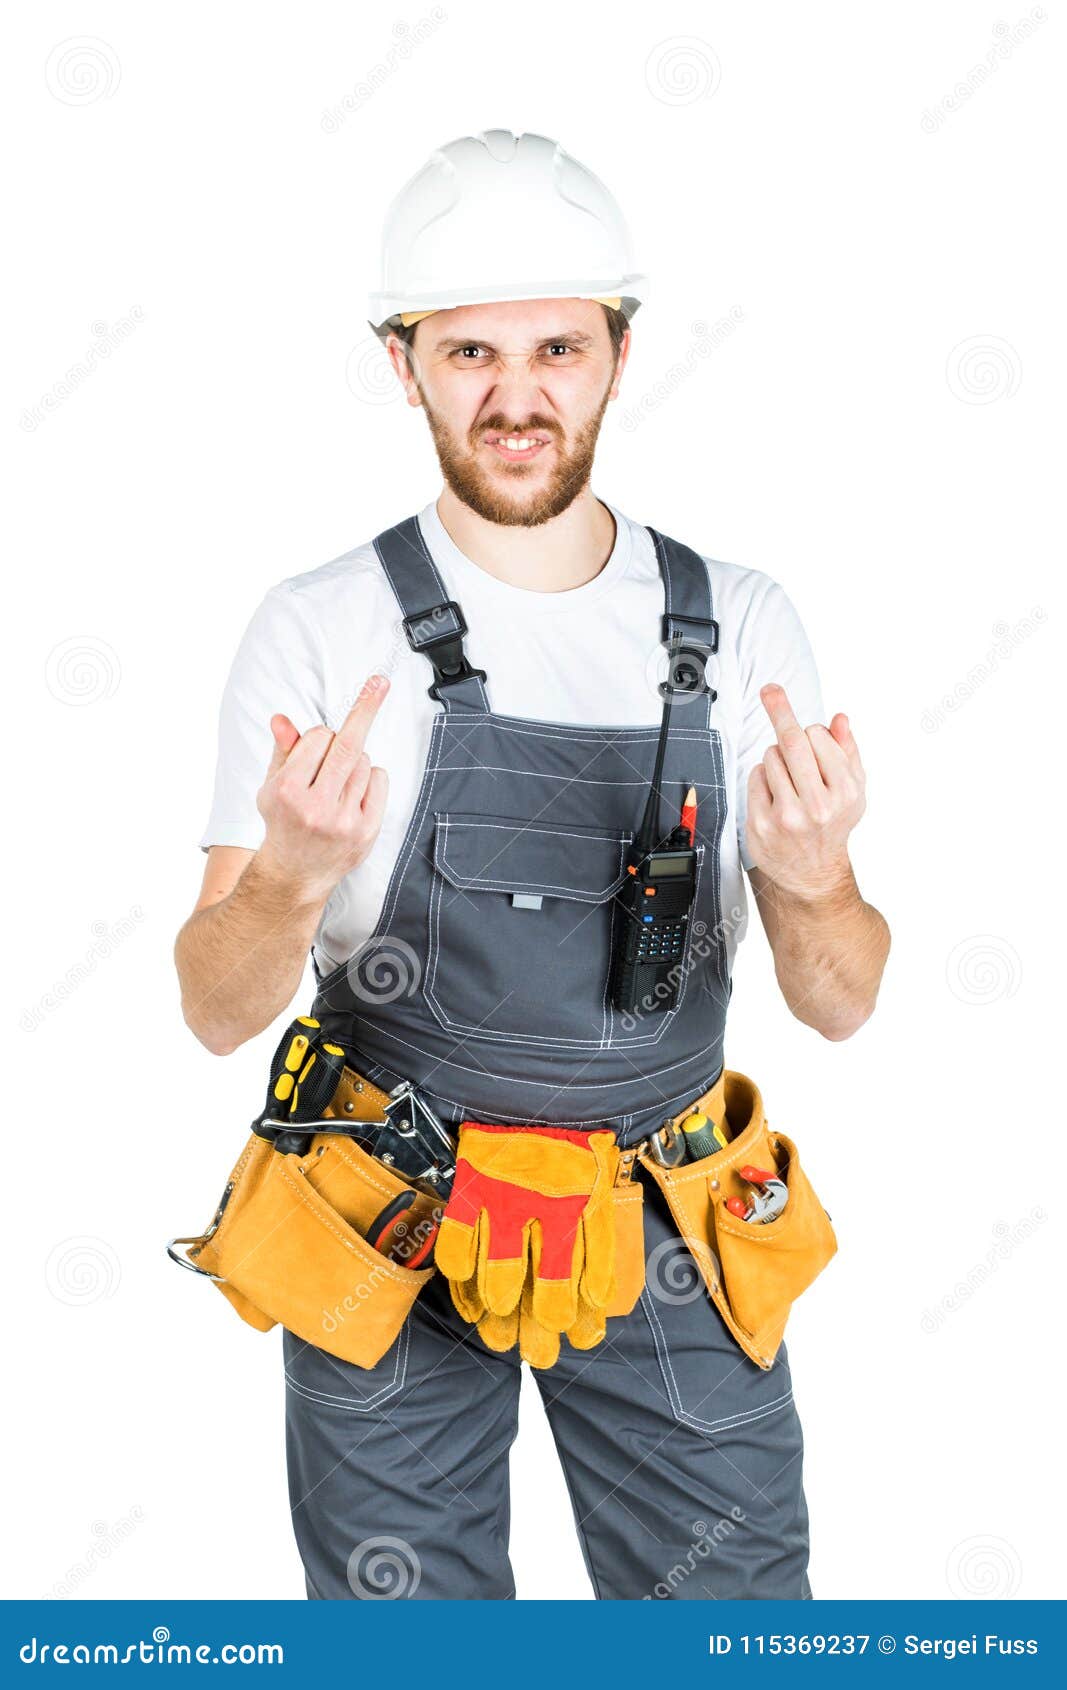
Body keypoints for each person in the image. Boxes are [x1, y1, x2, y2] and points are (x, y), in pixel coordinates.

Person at [174, 130, 890, 1601]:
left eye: (557, 347)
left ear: (619, 355)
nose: (515, 397)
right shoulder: (317, 626)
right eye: (468, 353)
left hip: (672, 1215)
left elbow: (841, 1001)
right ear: (404, 362)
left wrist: (816, 879)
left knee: (732, 1626)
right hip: (387, 1207)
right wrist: (293, 873)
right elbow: (214, 1002)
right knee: (406, 1639)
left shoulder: (741, 623)